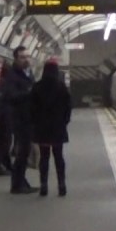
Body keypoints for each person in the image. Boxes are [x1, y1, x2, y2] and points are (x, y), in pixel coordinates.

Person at [30, 59, 72, 197]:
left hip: (42, 129)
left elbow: (32, 109)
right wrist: (64, 122)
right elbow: (68, 108)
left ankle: (44, 186)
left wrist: (35, 123)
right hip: (57, 128)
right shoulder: (62, 87)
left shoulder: (37, 87)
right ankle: (62, 185)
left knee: (44, 157)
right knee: (59, 157)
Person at [0, 46, 37, 194]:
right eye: (22, 57)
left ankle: (21, 181)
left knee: (24, 151)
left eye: (28, 56)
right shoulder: (11, 75)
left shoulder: (28, 73)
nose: (26, 59)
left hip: (27, 117)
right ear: (16, 59)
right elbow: (10, 96)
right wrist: (29, 93)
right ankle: (17, 184)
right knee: (23, 151)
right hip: (18, 118)